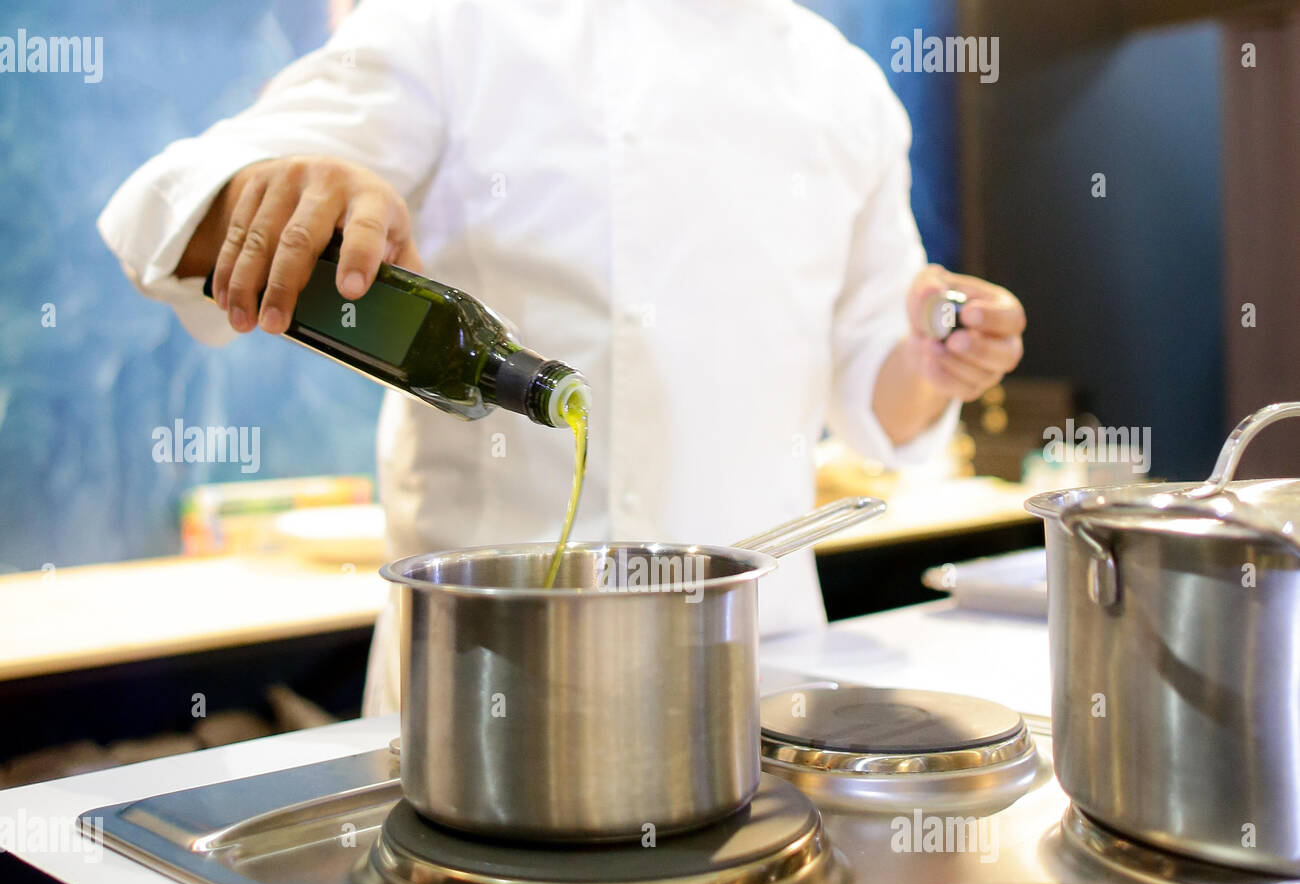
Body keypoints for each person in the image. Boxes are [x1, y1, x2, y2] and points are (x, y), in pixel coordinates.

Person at [100, 0, 1026, 716]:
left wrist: (937, 360)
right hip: (485, 692)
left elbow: (878, 398)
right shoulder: (459, 23)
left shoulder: (845, 85)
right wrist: (274, 191)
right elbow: (165, 213)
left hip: (758, 679)